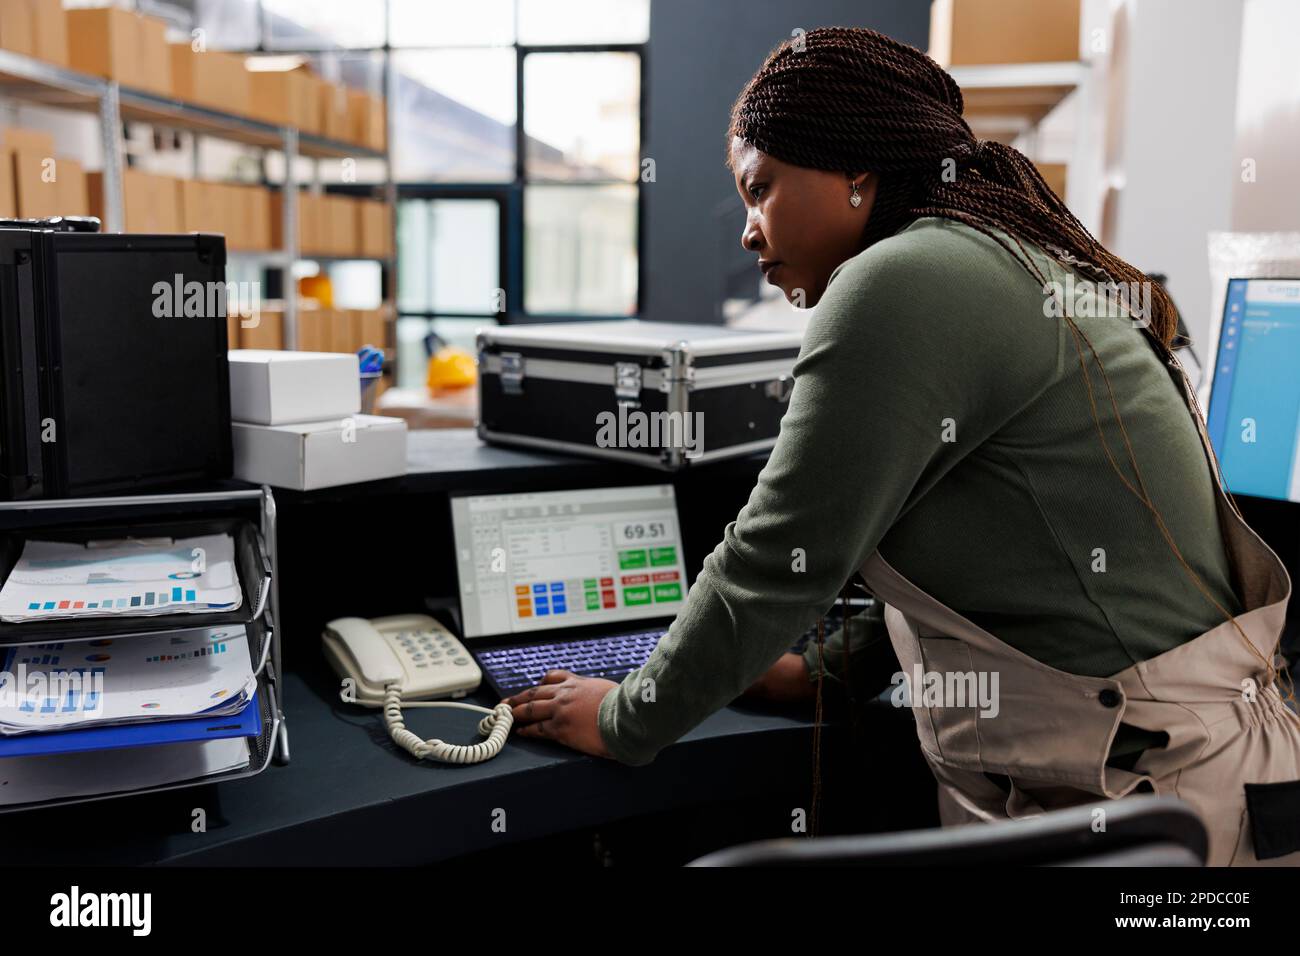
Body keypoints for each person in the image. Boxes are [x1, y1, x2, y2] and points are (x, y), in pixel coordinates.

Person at [502, 26, 1300, 866]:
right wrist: (823, 670)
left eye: (760, 188)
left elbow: (780, 556)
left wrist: (628, 716)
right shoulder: (997, 260)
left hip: (1164, 808)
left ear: (855, 170)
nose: (748, 230)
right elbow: (998, 554)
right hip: (1190, 784)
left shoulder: (901, 280)